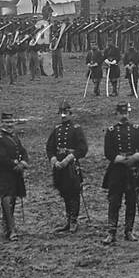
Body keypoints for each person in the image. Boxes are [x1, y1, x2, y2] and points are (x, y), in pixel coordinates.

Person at [102, 102, 139, 244]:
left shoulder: (136, 129)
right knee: (114, 201)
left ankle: (129, 230)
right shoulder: (111, 131)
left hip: (132, 169)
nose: (124, 116)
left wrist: (135, 157)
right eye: (121, 113)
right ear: (117, 114)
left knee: (132, 200)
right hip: (117, 170)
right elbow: (108, 151)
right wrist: (119, 158)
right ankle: (111, 232)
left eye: (126, 113)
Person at [46, 100, 89, 233]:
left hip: (71, 165)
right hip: (59, 166)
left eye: (66, 113)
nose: (63, 116)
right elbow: (49, 147)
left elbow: (83, 148)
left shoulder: (76, 128)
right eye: (61, 113)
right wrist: (54, 160)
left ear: (70, 113)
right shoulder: (57, 129)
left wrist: (70, 158)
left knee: (74, 192)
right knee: (64, 192)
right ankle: (68, 220)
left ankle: (74, 220)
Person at [0, 112, 29, 241]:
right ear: (2, 123)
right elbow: (1, 158)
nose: (9, 125)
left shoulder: (14, 137)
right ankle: (11, 230)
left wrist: (24, 162)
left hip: (16, 174)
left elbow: (22, 151)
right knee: (6, 201)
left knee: (13, 201)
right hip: (5, 174)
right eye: (7, 123)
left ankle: (8, 227)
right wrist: (15, 164)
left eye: (11, 122)